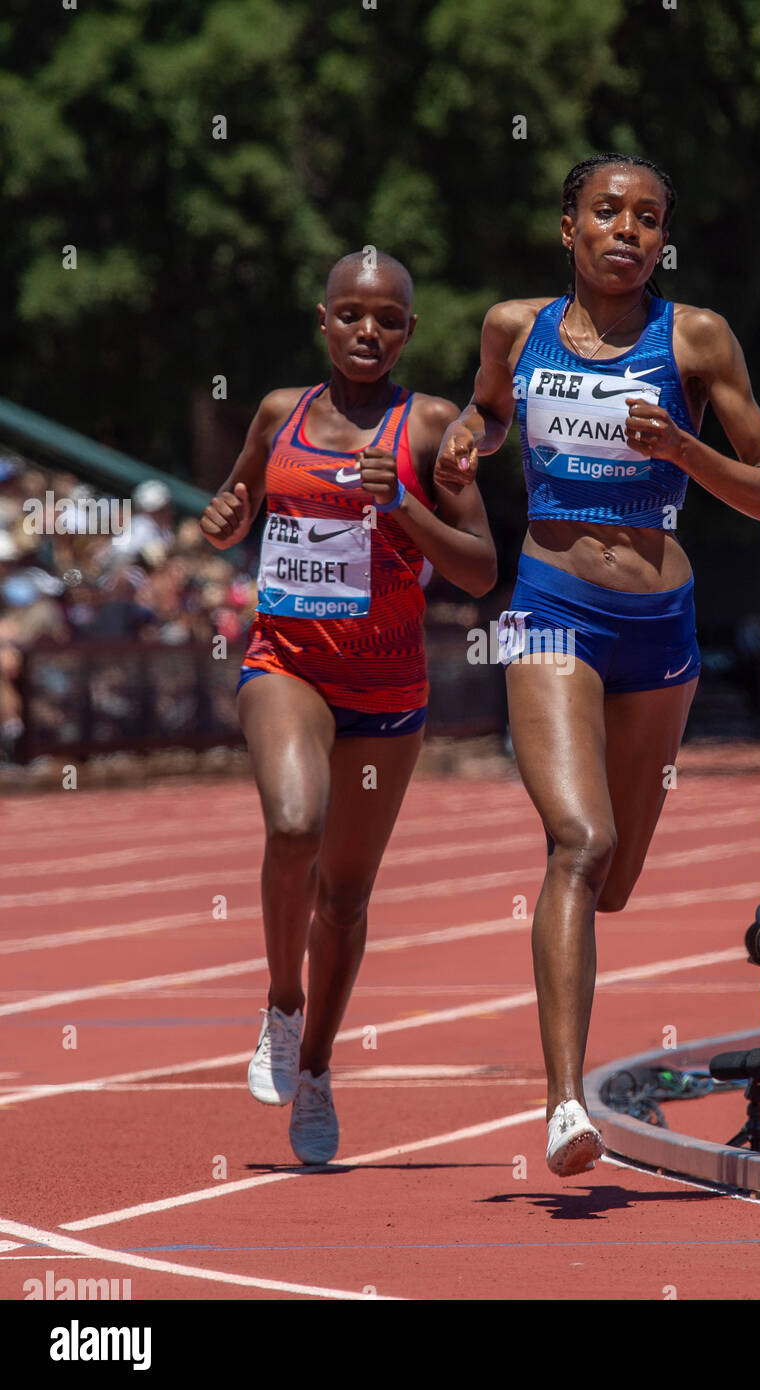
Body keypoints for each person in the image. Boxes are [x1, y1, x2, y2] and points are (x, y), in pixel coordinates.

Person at [435, 154, 760, 1176]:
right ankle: (563, 1103)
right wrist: (469, 437)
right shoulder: (514, 325)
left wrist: (684, 451)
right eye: (606, 213)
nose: (626, 232)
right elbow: (491, 410)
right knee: (578, 841)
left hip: (659, 623)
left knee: (618, 878)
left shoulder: (696, 338)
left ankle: (568, 966)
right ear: (568, 229)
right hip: (551, 604)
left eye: (645, 219)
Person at [201, 251, 496, 1163]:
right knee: (294, 827)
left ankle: (319, 1068)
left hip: (387, 691)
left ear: (409, 332)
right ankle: (281, 1008)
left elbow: (482, 570)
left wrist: (403, 504)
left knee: (348, 893)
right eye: (351, 315)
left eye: (388, 320)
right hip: (286, 663)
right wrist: (226, 515)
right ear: (322, 322)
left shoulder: (434, 426)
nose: (368, 332)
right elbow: (243, 496)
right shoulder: (278, 412)